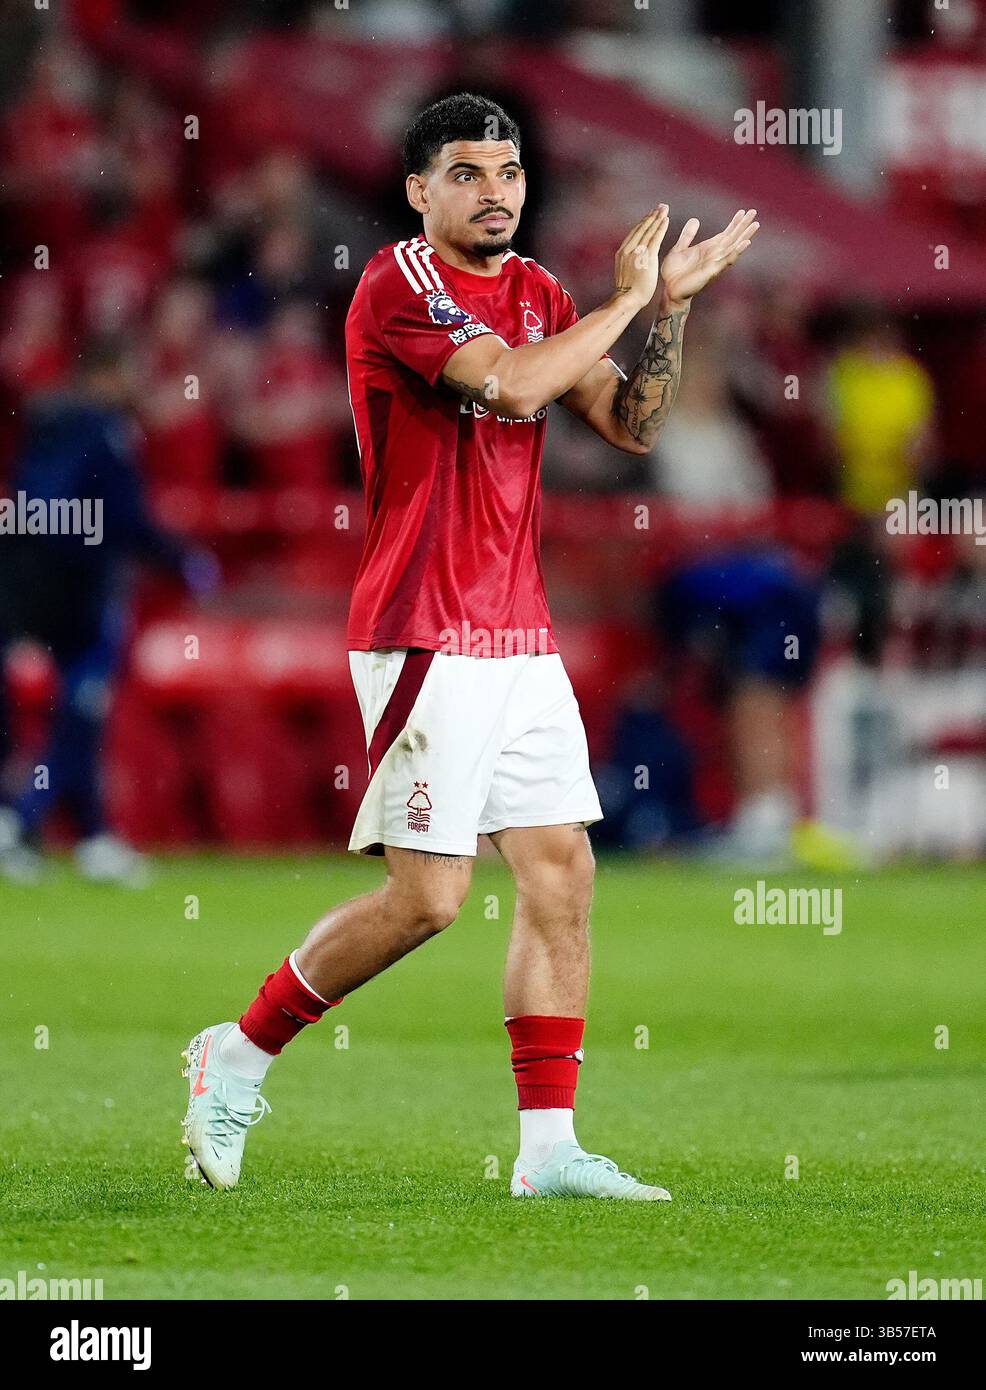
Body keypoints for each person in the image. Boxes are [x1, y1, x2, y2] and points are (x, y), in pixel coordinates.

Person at [182, 92, 759, 1198]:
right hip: (423, 631)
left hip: (517, 634)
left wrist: (663, 313)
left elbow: (630, 425)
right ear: (417, 190)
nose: (493, 192)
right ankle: (238, 1051)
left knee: (560, 875)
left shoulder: (540, 290)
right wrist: (626, 296)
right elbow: (514, 381)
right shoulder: (399, 285)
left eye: (506, 172)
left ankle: (547, 1152)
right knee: (429, 901)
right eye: (465, 173)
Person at [0, 338, 214, 885]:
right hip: (82, 602)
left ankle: (89, 835)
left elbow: (31, 513)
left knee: (77, 721)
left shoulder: (45, 429)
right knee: (81, 717)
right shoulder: (105, 433)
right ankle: (21, 823)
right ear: (105, 375)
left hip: (29, 596)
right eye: (129, 373)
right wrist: (183, 559)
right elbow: (124, 520)